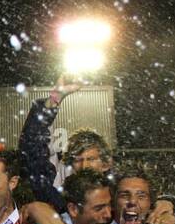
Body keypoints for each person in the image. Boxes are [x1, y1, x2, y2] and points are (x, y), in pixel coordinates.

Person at [17, 76, 111, 207]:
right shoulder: (61, 204)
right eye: (78, 160)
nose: (84, 166)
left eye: (91, 159)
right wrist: (55, 98)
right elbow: (31, 150)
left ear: (106, 164)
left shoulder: (117, 205)